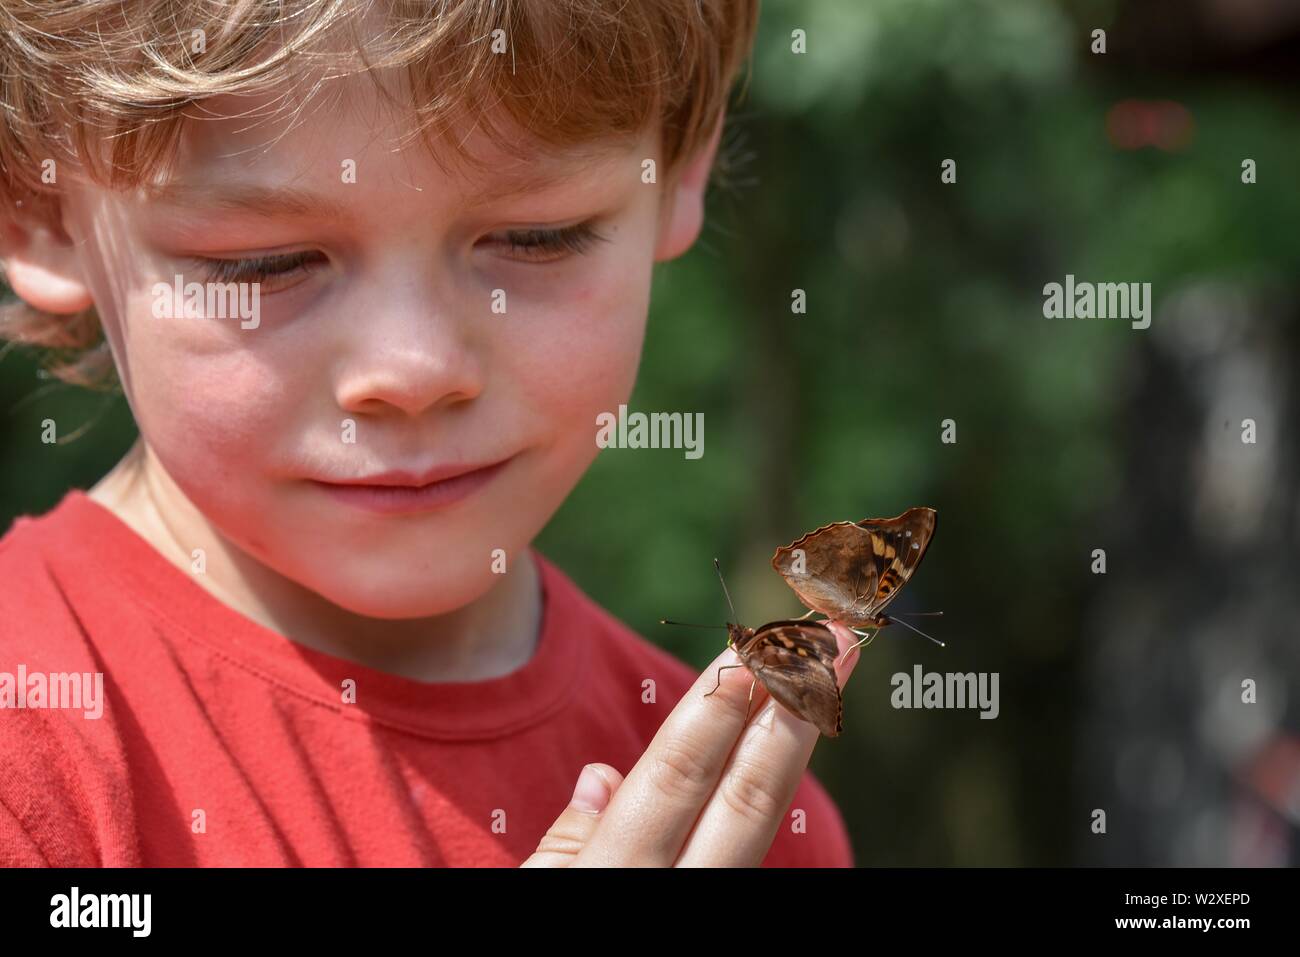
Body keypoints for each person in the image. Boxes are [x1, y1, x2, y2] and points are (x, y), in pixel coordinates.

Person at [0, 0, 855, 867]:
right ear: (38, 208)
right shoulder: (27, 746)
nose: (414, 371)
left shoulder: (741, 816)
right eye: (263, 261)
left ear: (676, 170)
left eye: (537, 237)